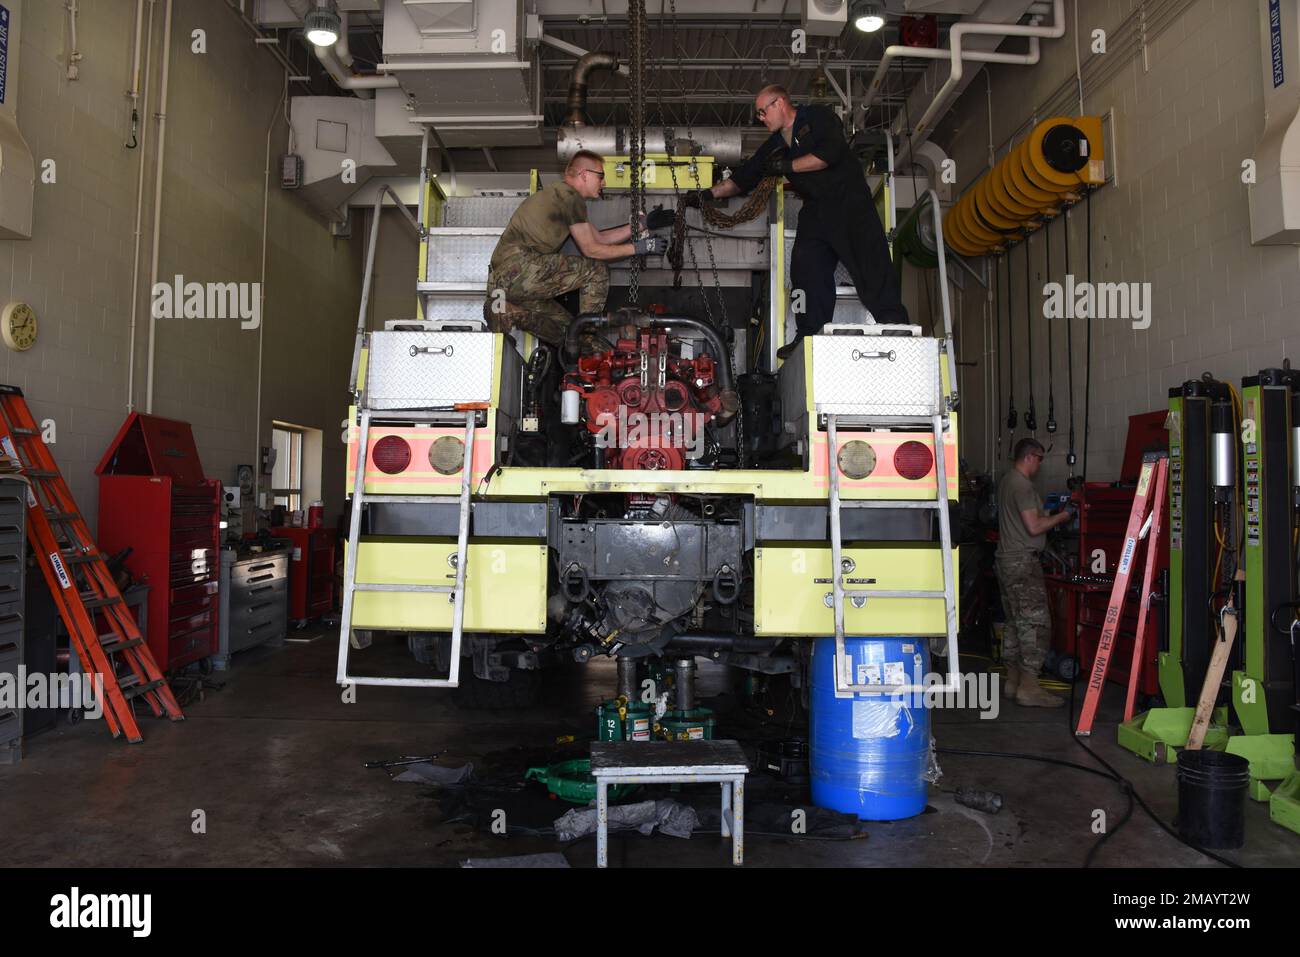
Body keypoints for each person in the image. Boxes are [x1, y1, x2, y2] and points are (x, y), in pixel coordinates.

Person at [683, 85, 907, 361]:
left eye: (763, 112)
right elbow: (743, 179)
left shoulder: (818, 117)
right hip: (815, 210)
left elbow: (829, 154)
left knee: (870, 263)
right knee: (805, 267)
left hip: (849, 202)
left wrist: (787, 167)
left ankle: (894, 324)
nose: (761, 118)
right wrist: (705, 195)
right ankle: (808, 335)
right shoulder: (774, 146)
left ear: (779, 103)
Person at [484, 150, 667, 346]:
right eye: (601, 176)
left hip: (504, 284)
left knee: (569, 331)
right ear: (584, 174)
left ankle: (508, 312)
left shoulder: (561, 196)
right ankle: (588, 336)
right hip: (518, 271)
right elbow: (592, 250)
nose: (604, 183)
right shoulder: (570, 197)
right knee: (596, 271)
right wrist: (640, 248)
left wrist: (641, 226)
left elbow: (600, 239)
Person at [995, 438, 1074, 708]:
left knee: (1015, 622)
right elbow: (1034, 527)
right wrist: (1063, 517)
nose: (1040, 464)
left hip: (1006, 560)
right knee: (1036, 624)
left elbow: (1026, 518)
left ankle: (1013, 681)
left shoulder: (1007, 481)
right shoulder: (1024, 486)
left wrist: (1049, 512)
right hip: (1023, 563)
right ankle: (1029, 687)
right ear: (1030, 456)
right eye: (1040, 459)